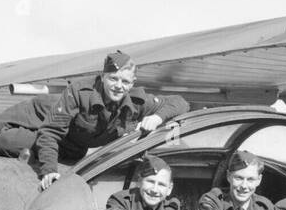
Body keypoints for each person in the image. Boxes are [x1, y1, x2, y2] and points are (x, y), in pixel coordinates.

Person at [35, 50, 189, 190]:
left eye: (125, 82)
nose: (119, 86)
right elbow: (50, 132)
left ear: (132, 83)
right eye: (113, 79)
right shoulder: (80, 92)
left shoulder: (135, 102)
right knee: (14, 144)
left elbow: (180, 102)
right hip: (35, 121)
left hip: (71, 150)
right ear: (103, 77)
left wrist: (157, 117)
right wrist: (49, 171)